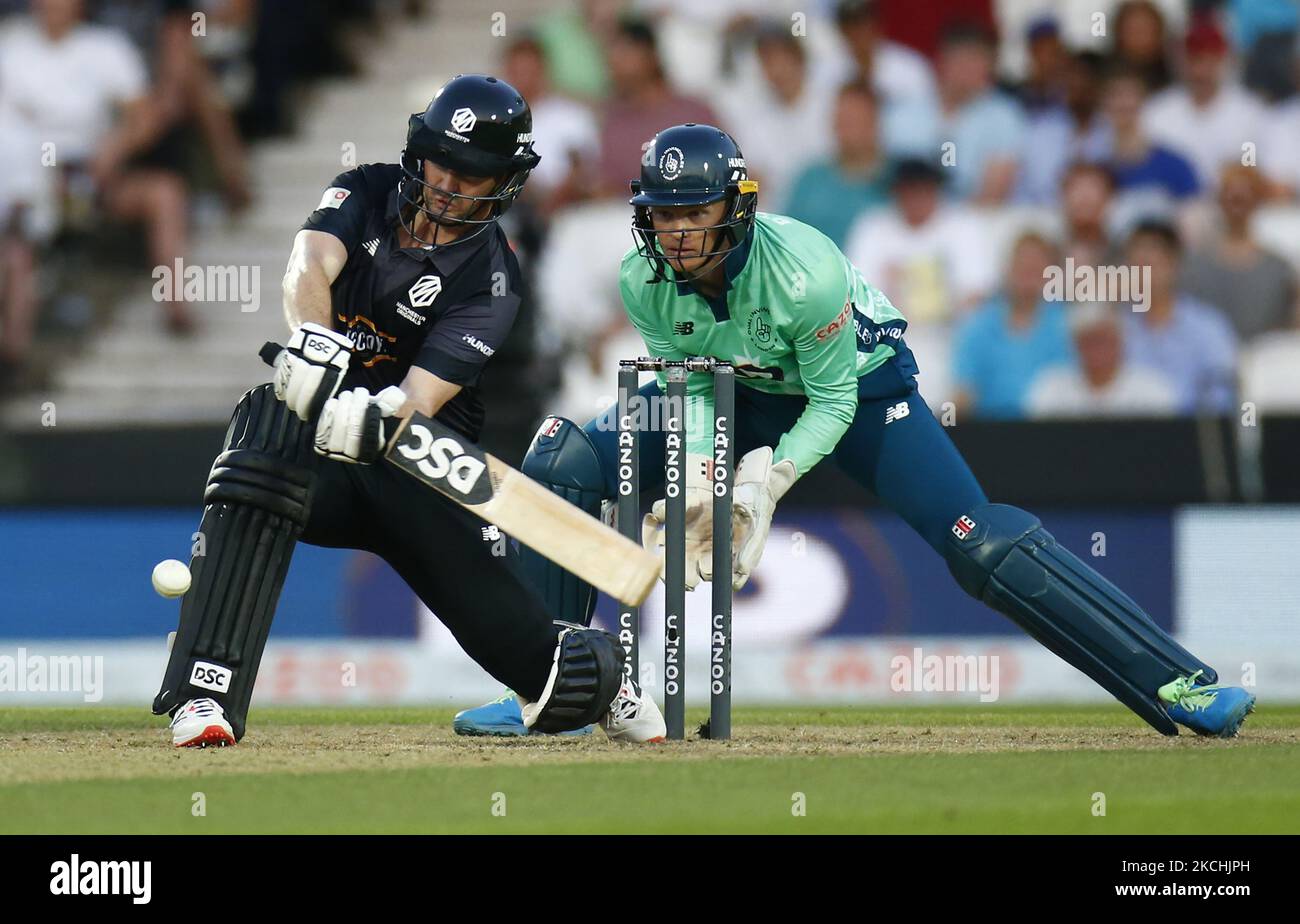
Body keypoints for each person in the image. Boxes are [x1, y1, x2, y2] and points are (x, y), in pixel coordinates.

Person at [452, 123, 1257, 740]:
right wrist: (702, 478)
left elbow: (831, 407)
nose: (679, 236)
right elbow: (691, 381)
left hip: (864, 395)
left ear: (737, 206)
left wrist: (762, 487)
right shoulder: (642, 278)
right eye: (663, 217)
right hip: (735, 391)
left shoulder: (806, 271)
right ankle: (545, 691)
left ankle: (1180, 682)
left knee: (982, 545)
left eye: (696, 214)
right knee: (565, 452)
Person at [152, 75, 663, 748]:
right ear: (419, 151)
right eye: (443, 163)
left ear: (504, 182)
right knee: (263, 430)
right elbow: (308, 263)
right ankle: (205, 694)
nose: (451, 183)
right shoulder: (365, 189)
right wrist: (314, 340)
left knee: (541, 667)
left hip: (417, 474)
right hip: (319, 466)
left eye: (473, 174)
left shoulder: (494, 279)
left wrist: (375, 417)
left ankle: (599, 681)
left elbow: (420, 400)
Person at [951, 232, 1075, 420]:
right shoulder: (979, 326)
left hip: (1052, 428)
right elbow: (964, 390)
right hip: (991, 429)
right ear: (1007, 270)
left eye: (1035, 269)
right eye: (1022, 267)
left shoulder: (1066, 326)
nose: (1028, 276)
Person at [1122, 220, 1238, 414]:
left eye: (1153, 265)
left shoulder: (1208, 326)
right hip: (1130, 432)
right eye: (1138, 267)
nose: (1145, 275)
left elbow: (1223, 392)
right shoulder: (1117, 327)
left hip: (1194, 432)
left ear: (1174, 264)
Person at [1180, 164, 1299, 343]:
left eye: (1244, 198)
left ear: (1258, 201)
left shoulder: (1279, 268)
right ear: (1219, 200)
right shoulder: (1194, 265)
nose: (1237, 204)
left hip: (1265, 361)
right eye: (1231, 197)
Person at [781, 80, 891, 248]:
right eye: (840, 119)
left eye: (854, 121)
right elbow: (783, 241)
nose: (843, 129)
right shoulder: (810, 179)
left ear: (875, 124)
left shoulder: (899, 181)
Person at [1026, 301, 1179, 418]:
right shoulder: (1049, 387)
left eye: (1104, 339)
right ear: (1074, 344)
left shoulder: (1153, 389)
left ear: (1120, 340)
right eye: (1088, 340)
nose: (1097, 348)